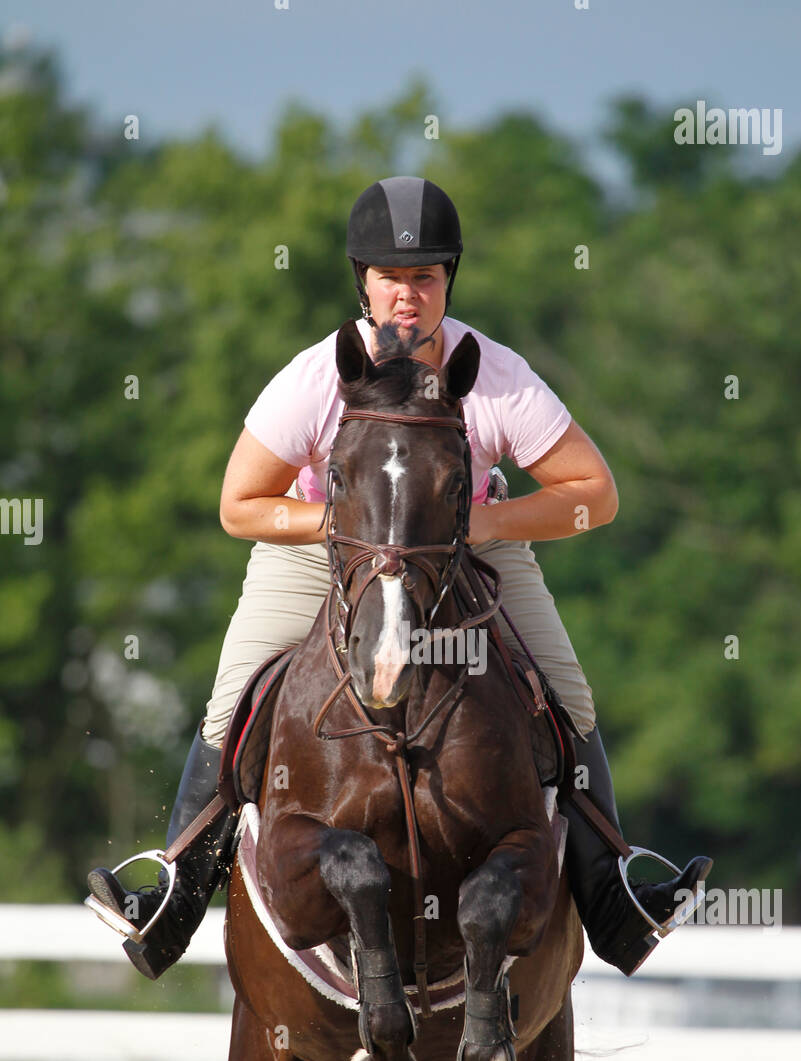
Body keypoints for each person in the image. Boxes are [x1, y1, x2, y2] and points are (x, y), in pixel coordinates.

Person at [87, 176, 710, 980]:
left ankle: (617, 894)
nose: (408, 295)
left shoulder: (497, 377)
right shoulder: (316, 378)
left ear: (449, 280)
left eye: (424, 278)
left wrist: (484, 523)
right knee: (233, 698)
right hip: (321, 549)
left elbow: (597, 495)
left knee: (567, 693)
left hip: (470, 546)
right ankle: (173, 893)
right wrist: (353, 530)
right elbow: (239, 505)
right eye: (391, 278)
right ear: (363, 282)